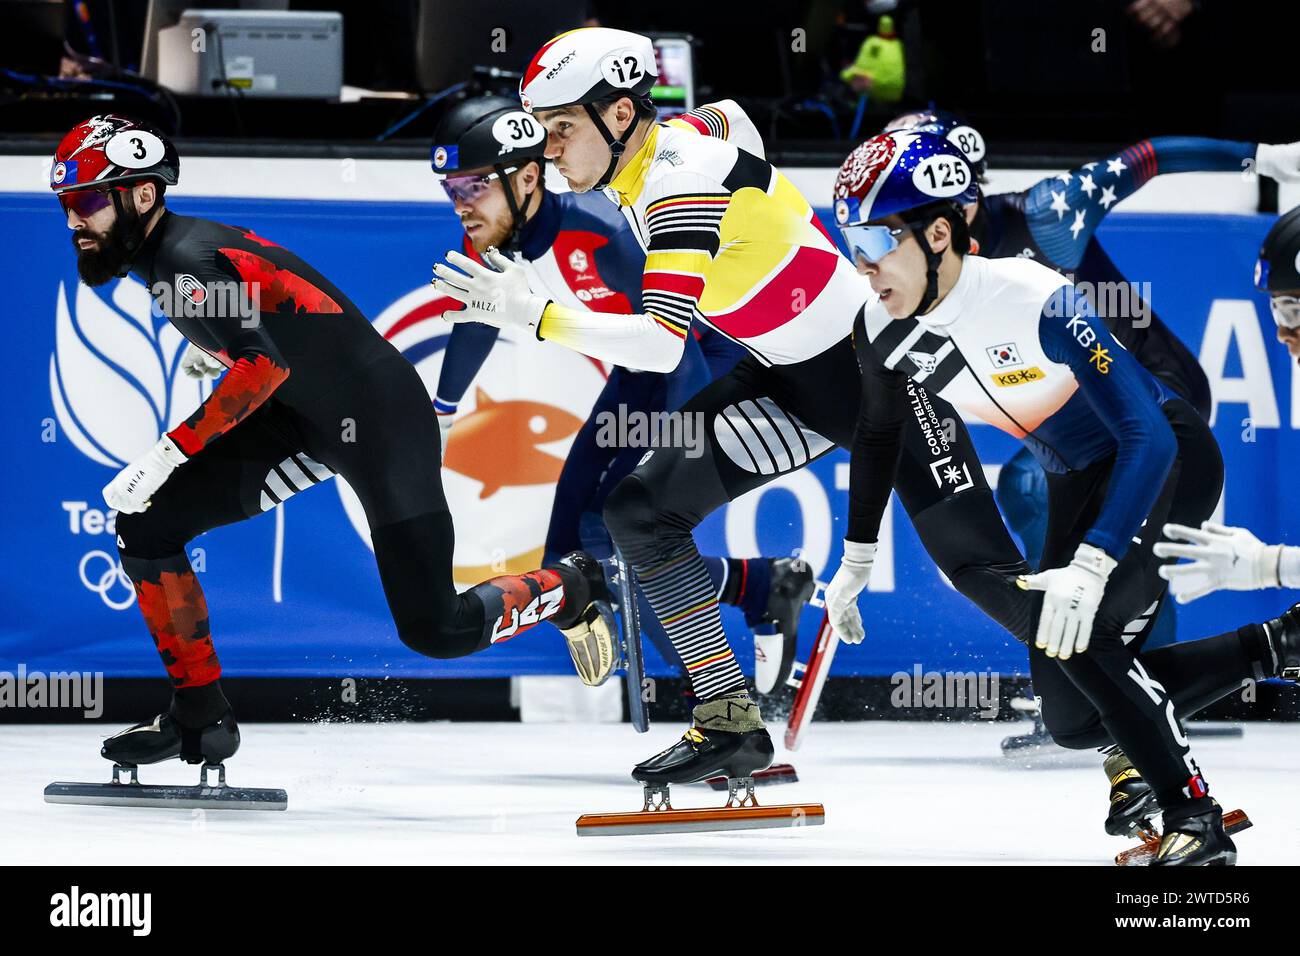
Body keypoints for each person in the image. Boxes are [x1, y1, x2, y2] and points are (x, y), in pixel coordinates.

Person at [434, 28, 1034, 792]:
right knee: (640, 514)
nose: (549, 152)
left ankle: (1133, 731)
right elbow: (734, 119)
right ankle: (730, 724)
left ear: (620, 115)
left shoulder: (674, 181)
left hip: (881, 381)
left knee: (985, 575)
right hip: (789, 379)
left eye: (561, 128)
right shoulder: (675, 142)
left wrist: (536, 315)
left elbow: (658, 342)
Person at [51, 113, 619, 771]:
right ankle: (199, 717)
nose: (74, 222)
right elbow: (270, 334)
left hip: (380, 422)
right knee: (145, 526)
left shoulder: (179, 259)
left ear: (141, 195)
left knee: (437, 629)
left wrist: (167, 453)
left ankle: (567, 587)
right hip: (299, 418)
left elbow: (263, 366)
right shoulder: (170, 255)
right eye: (68, 204)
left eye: (88, 202)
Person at [828, 129, 1298, 864]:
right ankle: (1279, 643)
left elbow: (1151, 436)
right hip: (1077, 477)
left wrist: (1093, 562)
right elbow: (879, 435)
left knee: (1089, 633)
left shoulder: (1036, 297)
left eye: (873, 239)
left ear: (940, 232)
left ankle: (1194, 817)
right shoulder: (879, 328)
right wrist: (856, 558)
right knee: (1077, 719)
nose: (861, 264)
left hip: (1164, 458)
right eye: (847, 239)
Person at [428, 94, 814, 693]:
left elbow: (682, 343)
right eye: (452, 190)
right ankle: (762, 587)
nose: (461, 208)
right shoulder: (497, 236)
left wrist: (664, 448)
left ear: (528, 176)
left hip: (703, 362)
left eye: (472, 188)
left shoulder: (601, 233)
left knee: (624, 533)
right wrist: (445, 410)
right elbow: (477, 321)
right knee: (565, 552)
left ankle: (720, 702)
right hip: (644, 372)